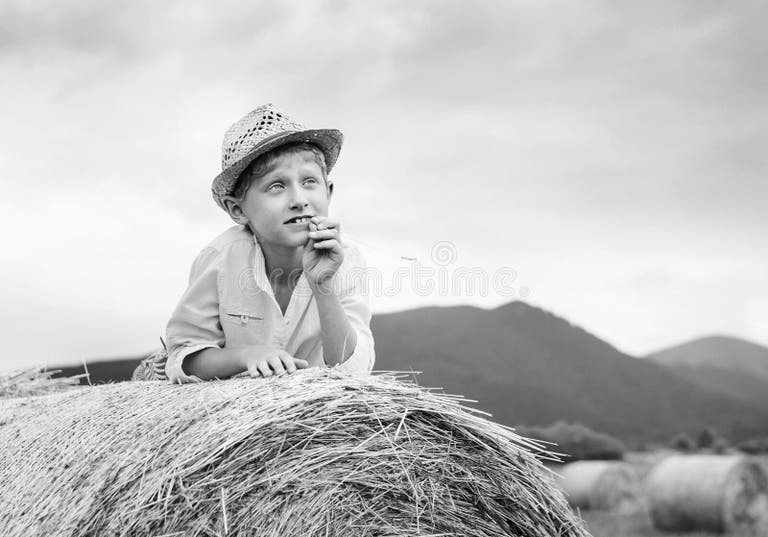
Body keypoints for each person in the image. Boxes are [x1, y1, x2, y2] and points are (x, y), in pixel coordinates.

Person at [162, 103, 375, 384]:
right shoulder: (219, 258)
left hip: (320, 412)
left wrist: (323, 287)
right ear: (237, 210)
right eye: (277, 186)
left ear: (329, 191)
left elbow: (353, 371)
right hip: (233, 410)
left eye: (309, 181)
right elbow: (184, 357)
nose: (299, 199)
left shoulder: (346, 258)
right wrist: (247, 356)